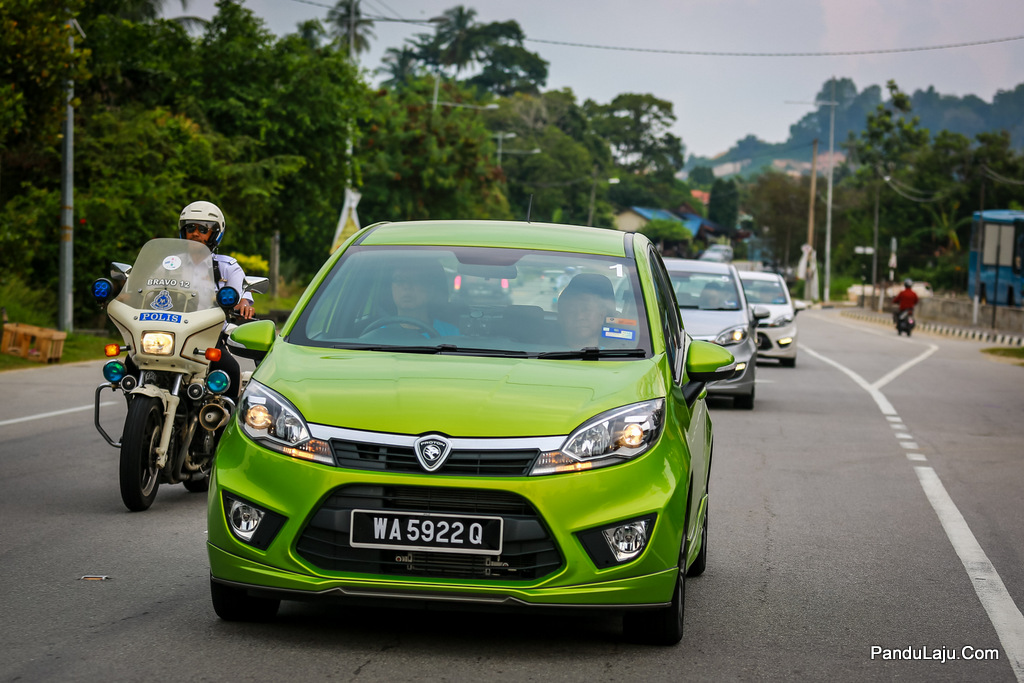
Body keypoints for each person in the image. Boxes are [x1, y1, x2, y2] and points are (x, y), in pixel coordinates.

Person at [178, 201, 254, 397]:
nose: (195, 233)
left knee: (230, 370)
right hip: (171, 333)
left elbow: (241, 296)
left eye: (203, 229)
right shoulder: (171, 263)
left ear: (215, 234)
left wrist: (244, 304)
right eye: (190, 228)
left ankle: (223, 424)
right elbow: (144, 287)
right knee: (131, 362)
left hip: (208, 337)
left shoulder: (227, 267)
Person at [387, 261, 459, 336]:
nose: (406, 286)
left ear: (431, 289)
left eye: (415, 279)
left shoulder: (452, 335)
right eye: (399, 280)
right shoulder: (376, 336)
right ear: (391, 288)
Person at [557, 273, 616, 348]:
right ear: (561, 318)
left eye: (586, 309)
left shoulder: (622, 355)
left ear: (601, 316)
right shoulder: (541, 350)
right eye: (571, 311)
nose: (579, 316)